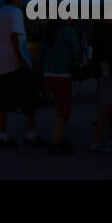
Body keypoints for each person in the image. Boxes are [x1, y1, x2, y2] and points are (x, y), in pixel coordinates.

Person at [0, 0, 42, 148]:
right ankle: (31, 135)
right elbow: (14, 36)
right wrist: (21, 59)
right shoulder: (16, 13)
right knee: (29, 100)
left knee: (3, 103)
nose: (22, 0)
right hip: (15, 64)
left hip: (2, 64)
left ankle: (3, 136)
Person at [40, 15, 80, 154]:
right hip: (63, 73)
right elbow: (76, 50)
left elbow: (42, 52)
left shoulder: (48, 32)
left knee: (60, 106)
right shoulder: (67, 31)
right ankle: (55, 141)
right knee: (63, 109)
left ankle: (60, 137)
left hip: (48, 73)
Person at [88, 18, 112, 153]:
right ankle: (97, 141)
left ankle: (110, 139)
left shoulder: (99, 33)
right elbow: (106, 56)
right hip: (106, 73)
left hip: (105, 73)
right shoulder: (106, 35)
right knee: (107, 107)